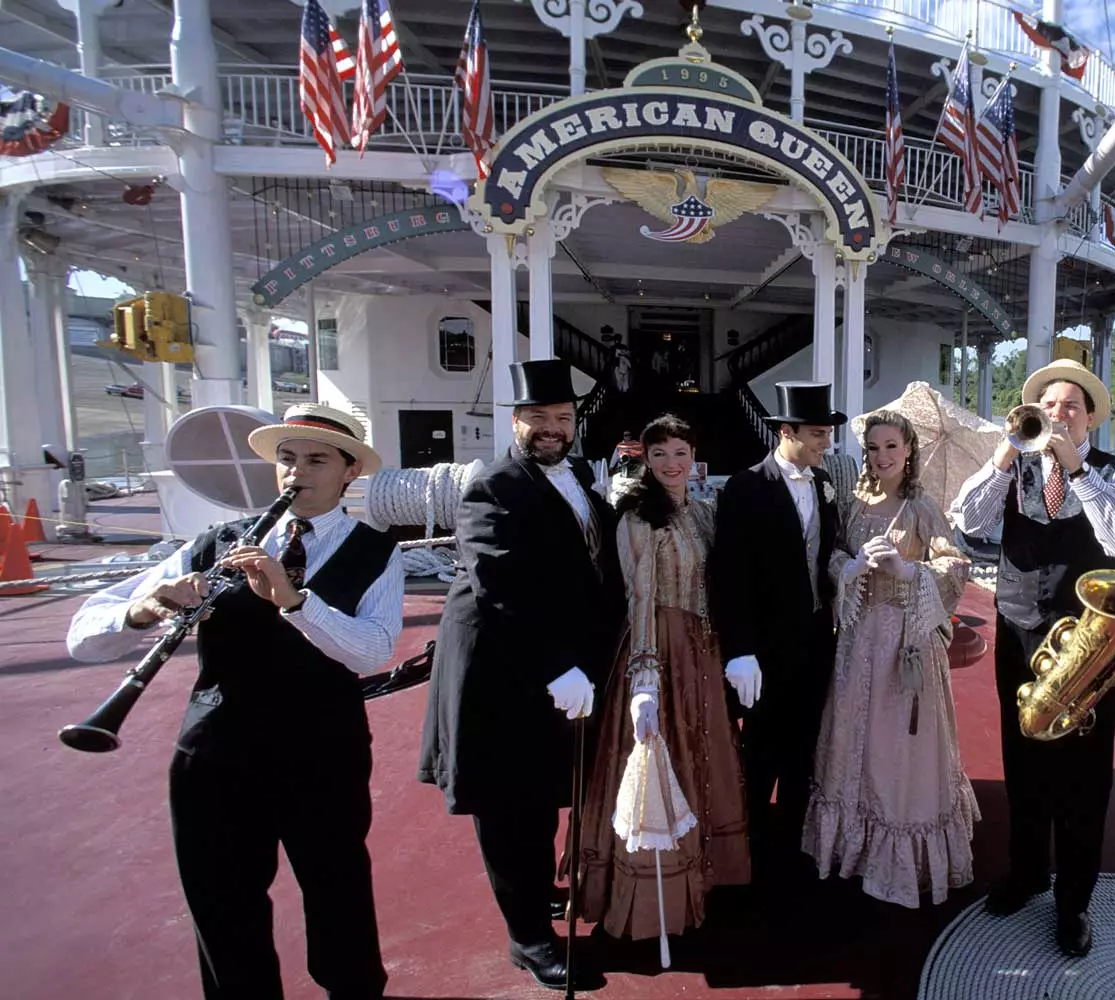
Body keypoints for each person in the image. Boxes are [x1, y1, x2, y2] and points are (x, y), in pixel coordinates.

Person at [65, 403, 403, 1000]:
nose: (296, 472)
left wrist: (296, 602)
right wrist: (144, 609)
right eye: (287, 459)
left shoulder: (379, 551)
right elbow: (83, 637)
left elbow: (370, 653)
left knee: (338, 892)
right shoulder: (217, 543)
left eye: (317, 460)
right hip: (215, 755)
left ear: (349, 472)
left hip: (322, 754)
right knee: (222, 904)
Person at [419, 359, 625, 991]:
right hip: (498, 673)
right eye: (538, 418)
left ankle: (537, 896)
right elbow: (501, 585)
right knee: (510, 806)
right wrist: (557, 665)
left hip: (547, 669)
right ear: (516, 421)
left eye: (562, 418)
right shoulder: (493, 484)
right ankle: (527, 939)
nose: (551, 429)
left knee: (539, 795)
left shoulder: (581, 484)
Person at [951, 359, 1115, 955]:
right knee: (1023, 759)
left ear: (1090, 416)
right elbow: (967, 520)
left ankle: (1074, 902)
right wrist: (1002, 457)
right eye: (1049, 404)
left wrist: (1079, 471)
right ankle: (1025, 871)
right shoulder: (1016, 467)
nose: (1058, 413)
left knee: (1085, 777)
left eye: (1070, 405)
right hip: (1020, 632)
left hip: (1093, 645)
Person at [577, 414, 751, 938]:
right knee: (663, 756)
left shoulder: (704, 512)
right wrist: (645, 678)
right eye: (660, 455)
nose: (671, 464)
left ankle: (708, 871)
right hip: (660, 647)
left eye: (679, 453)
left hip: (703, 651)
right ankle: (656, 896)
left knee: (706, 755)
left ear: (693, 457)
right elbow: (640, 598)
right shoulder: (637, 518)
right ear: (645, 460)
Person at [803, 409, 979, 908]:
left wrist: (910, 571)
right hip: (859, 642)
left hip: (906, 642)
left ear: (908, 452)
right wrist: (852, 566)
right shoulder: (856, 505)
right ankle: (851, 849)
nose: (882, 457)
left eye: (891, 448)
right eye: (874, 448)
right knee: (852, 740)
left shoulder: (922, 508)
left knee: (898, 750)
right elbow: (832, 555)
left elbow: (955, 564)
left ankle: (898, 855)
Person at [710, 380, 845, 882]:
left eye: (826, 435)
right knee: (760, 750)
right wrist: (739, 650)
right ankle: (748, 849)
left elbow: (824, 552)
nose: (826, 443)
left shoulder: (823, 484)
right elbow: (728, 575)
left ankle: (792, 843)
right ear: (785, 431)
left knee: (804, 749)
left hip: (814, 640)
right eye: (816, 434)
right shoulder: (747, 486)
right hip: (764, 650)